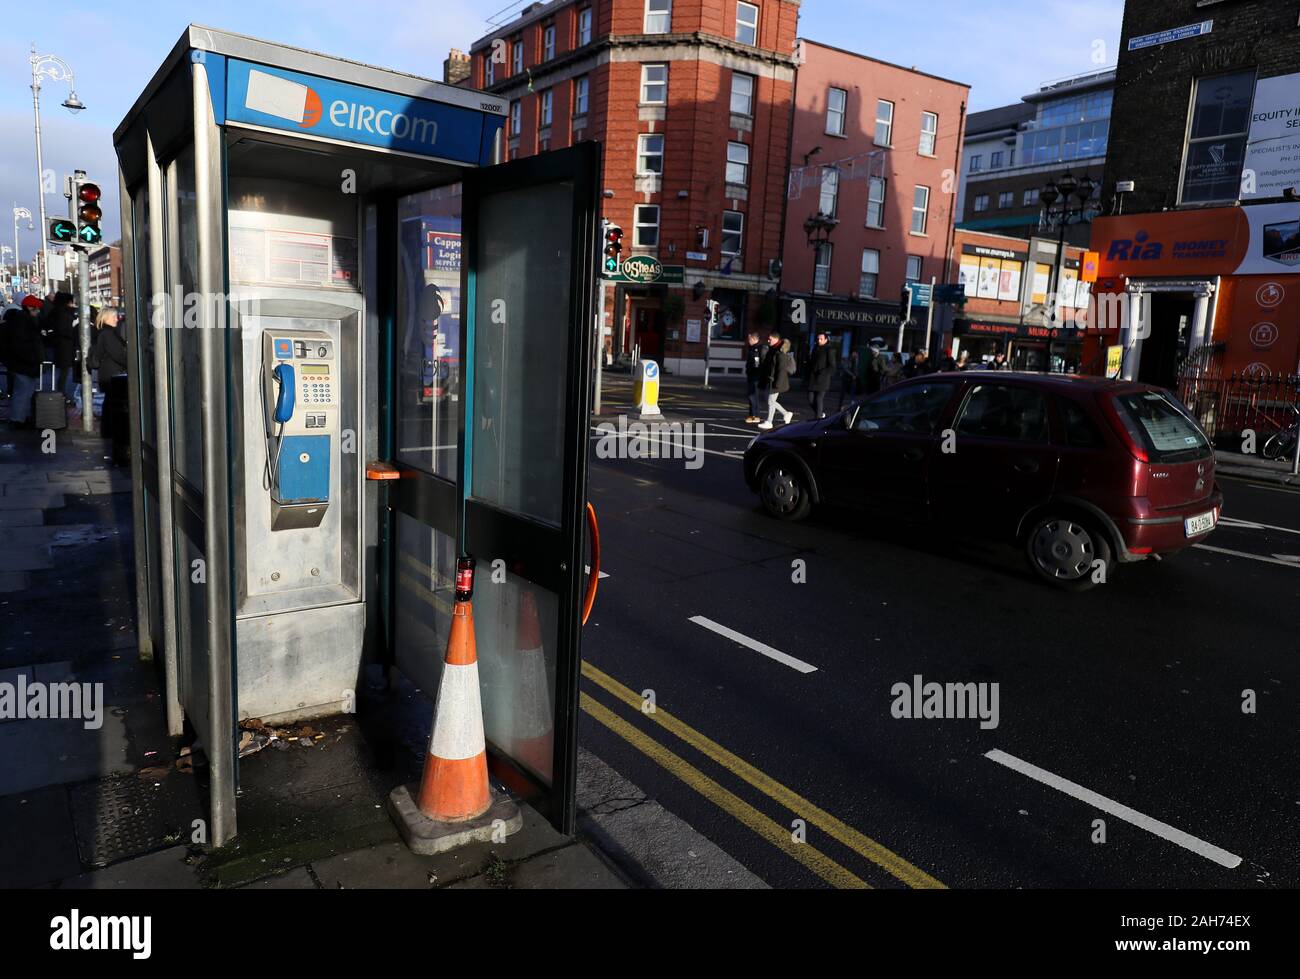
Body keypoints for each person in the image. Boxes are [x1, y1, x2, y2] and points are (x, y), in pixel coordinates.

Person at [6, 296, 45, 428]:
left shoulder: (24, 320)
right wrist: (33, 359)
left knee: (26, 391)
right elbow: (22, 345)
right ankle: (18, 419)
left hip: (25, 363)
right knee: (23, 392)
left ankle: (22, 417)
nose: (38, 312)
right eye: (37, 309)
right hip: (24, 364)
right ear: (29, 308)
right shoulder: (23, 322)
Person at [757, 332, 793, 430]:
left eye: (770, 339)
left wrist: (778, 383)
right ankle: (786, 413)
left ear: (776, 339)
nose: (768, 341)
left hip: (777, 380)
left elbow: (781, 369)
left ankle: (769, 421)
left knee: (770, 401)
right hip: (770, 379)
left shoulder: (781, 352)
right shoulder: (772, 349)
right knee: (770, 400)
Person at [48, 292, 79, 405]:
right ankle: (61, 394)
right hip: (64, 346)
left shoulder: (56, 312)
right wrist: (74, 325)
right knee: (64, 372)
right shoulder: (63, 314)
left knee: (64, 372)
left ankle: (62, 393)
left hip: (61, 346)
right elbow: (64, 330)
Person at [806, 330, 837, 419]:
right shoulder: (815, 348)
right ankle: (820, 414)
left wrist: (822, 373)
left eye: (821, 339)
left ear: (826, 340)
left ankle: (818, 418)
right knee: (810, 399)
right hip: (813, 379)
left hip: (822, 379)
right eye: (818, 338)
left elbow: (832, 366)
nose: (819, 340)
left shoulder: (829, 350)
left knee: (818, 399)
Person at [743, 330, 765, 423]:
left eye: (749, 339)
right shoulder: (753, 348)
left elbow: (756, 363)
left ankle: (755, 415)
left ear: (754, 339)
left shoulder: (756, 349)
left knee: (753, 396)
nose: (748, 341)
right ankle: (753, 415)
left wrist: (752, 372)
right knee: (752, 396)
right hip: (752, 375)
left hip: (754, 376)